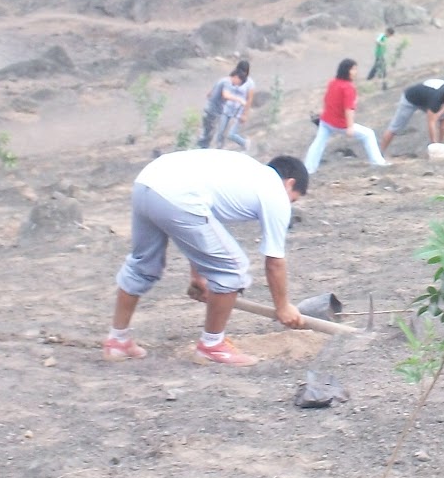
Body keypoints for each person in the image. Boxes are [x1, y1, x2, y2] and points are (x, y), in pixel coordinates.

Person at [104, 151, 310, 367]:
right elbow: (274, 262)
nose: (289, 205)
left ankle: (117, 340)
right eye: (293, 199)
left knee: (142, 264)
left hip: (147, 182)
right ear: (290, 183)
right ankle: (212, 345)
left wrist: (198, 276)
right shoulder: (275, 192)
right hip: (178, 195)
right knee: (233, 269)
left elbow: (201, 228)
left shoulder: (244, 174)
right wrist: (283, 307)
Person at [304, 58, 390, 173]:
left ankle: (308, 169)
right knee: (368, 134)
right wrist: (350, 127)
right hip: (339, 123)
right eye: (353, 69)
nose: (356, 72)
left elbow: (327, 99)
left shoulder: (333, 82)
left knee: (318, 143)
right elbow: (348, 109)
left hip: (326, 120)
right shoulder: (348, 88)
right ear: (347, 71)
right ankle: (378, 162)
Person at [380, 78, 444, 155]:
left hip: (427, 98)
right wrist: (434, 145)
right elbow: (431, 122)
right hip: (410, 99)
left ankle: (442, 147)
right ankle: (379, 154)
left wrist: (440, 113)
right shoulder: (436, 97)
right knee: (395, 128)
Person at [198, 60, 252, 150]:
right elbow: (225, 95)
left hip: (209, 109)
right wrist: (239, 100)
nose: (236, 85)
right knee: (213, 133)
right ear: (236, 77)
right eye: (239, 82)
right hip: (214, 111)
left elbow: (209, 94)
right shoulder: (227, 83)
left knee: (207, 133)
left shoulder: (222, 80)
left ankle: (204, 148)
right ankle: (207, 150)